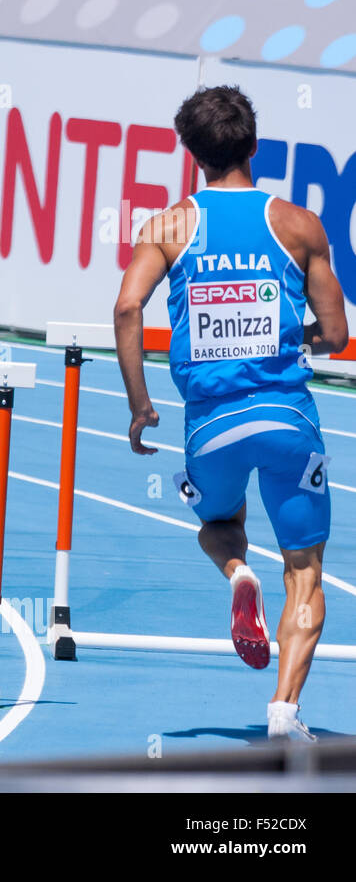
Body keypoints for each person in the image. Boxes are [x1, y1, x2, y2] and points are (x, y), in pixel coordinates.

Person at [115, 85, 348, 741]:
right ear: (254, 144)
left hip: (210, 425)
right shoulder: (299, 225)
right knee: (304, 570)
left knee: (218, 525)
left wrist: (139, 404)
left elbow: (128, 309)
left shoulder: (166, 227)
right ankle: (284, 713)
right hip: (287, 421)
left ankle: (237, 572)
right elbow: (334, 334)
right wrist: (290, 336)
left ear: (191, 153)